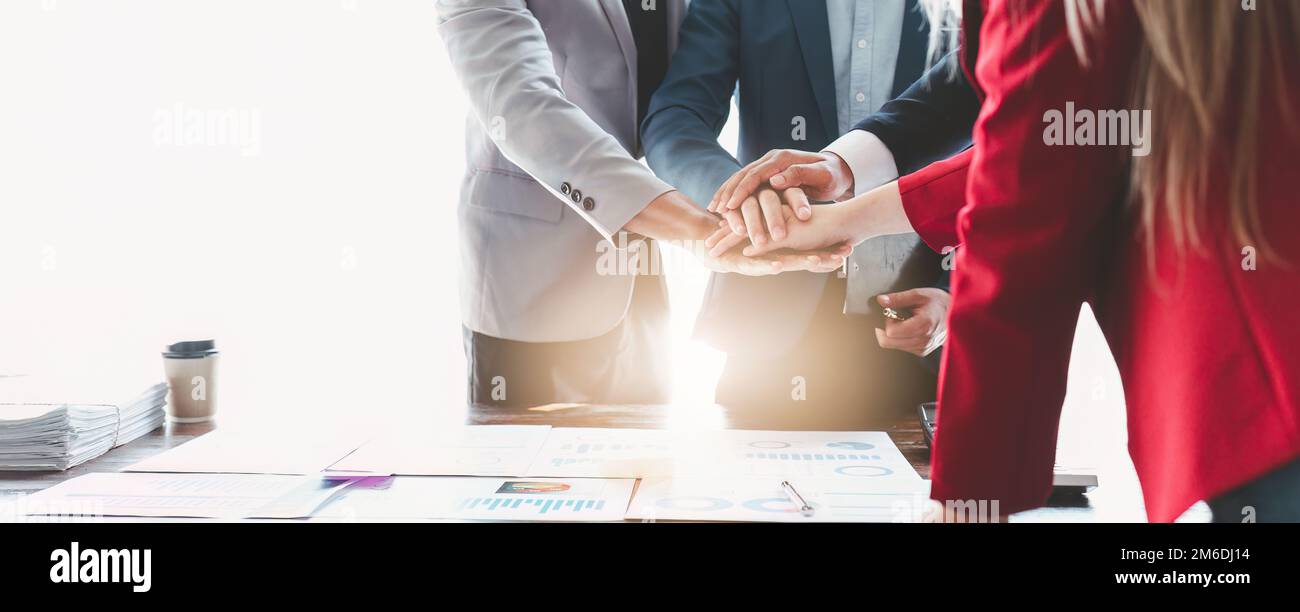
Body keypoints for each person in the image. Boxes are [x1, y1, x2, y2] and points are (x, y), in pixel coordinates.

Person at [731, 0, 1300, 522]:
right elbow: (1051, 142)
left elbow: (1023, 218)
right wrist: (845, 207)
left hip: (1257, 403)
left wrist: (968, 498)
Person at [435, 0, 845, 408]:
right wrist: (700, 229)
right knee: (536, 467)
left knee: (644, 464)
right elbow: (523, 110)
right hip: (533, 279)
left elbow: (682, 105)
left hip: (642, 270)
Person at [641, 0, 952, 429]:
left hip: (927, 324)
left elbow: (999, 150)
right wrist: (740, 193)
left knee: (932, 496)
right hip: (769, 320)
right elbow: (675, 118)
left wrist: (958, 295)